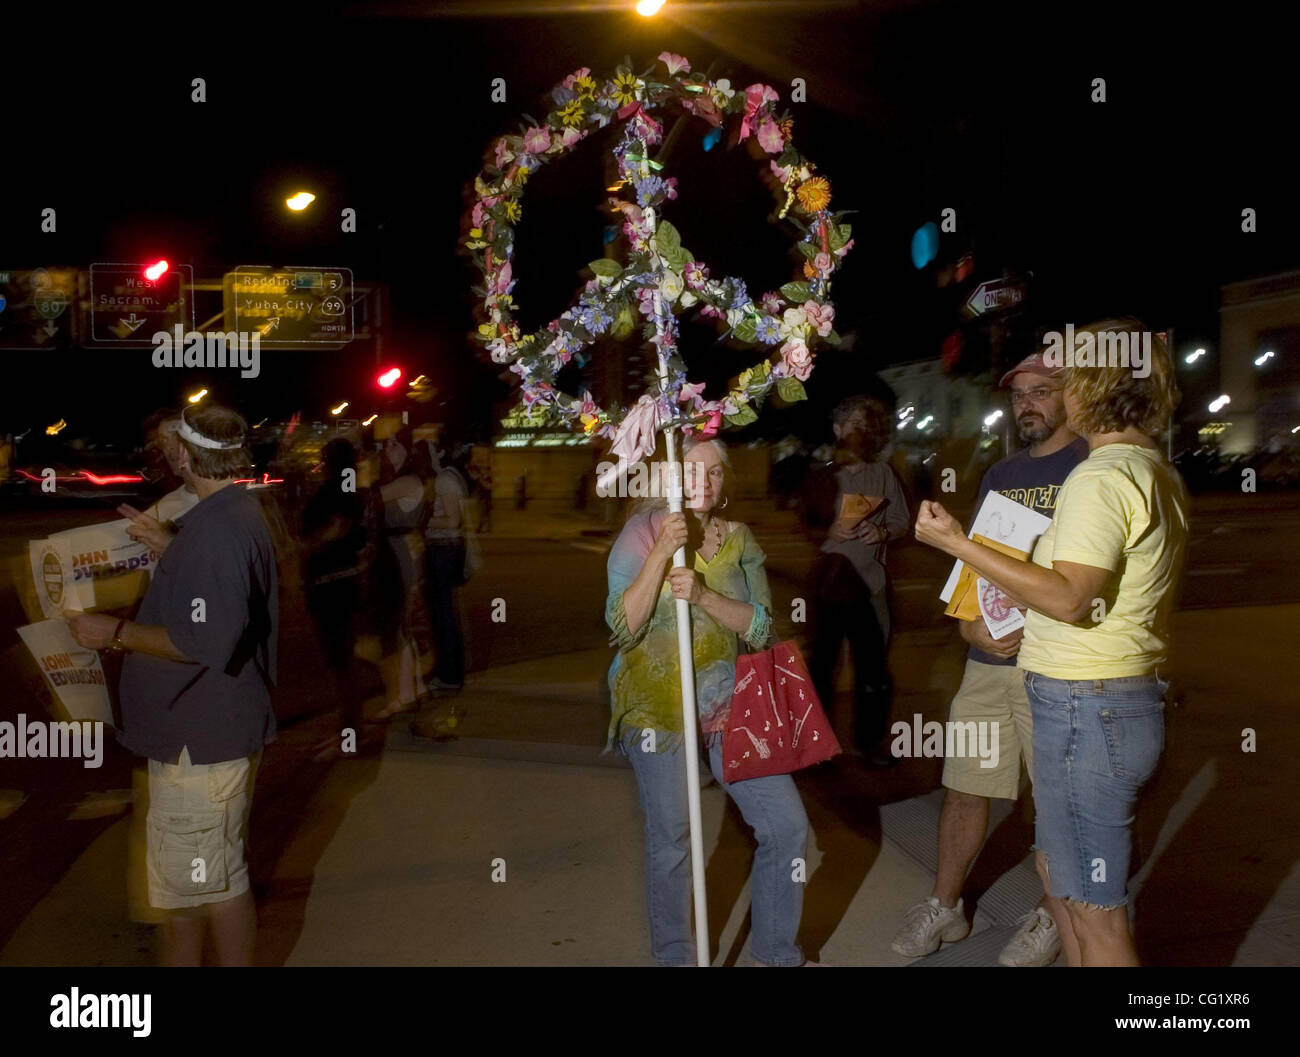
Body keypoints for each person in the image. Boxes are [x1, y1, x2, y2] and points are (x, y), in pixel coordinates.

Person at [915, 319, 1188, 966]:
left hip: (1086, 706)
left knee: (1098, 914)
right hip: (1106, 701)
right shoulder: (1152, 469)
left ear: (1090, 384)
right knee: (1060, 878)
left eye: (1065, 375)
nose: (1044, 395)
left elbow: (1069, 595)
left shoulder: (1099, 477)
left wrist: (957, 542)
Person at [891, 349, 1088, 966]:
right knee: (966, 788)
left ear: (1071, 396)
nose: (1027, 403)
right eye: (1019, 394)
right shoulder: (1000, 475)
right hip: (988, 667)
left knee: (1056, 803)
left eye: (1041, 391)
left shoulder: (1095, 466)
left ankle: (1053, 914)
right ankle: (945, 908)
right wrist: (970, 628)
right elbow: (977, 563)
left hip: (1058, 664)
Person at [65, 403, 277, 967]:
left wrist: (111, 632)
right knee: (193, 889)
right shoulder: (229, 514)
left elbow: (201, 641)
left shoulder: (216, 531)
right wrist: (169, 543)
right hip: (207, 737)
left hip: (199, 744)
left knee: (210, 889)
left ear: (184, 455)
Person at [606, 436, 812, 967]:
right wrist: (658, 554)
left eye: (714, 473)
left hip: (727, 700)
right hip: (655, 704)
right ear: (668, 478)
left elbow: (763, 628)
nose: (704, 481)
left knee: (785, 825)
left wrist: (703, 595)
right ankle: (677, 959)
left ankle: (775, 954)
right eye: (691, 470)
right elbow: (623, 627)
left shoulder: (738, 539)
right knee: (672, 836)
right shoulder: (641, 531)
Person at [801, 395, 909, 765]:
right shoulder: (824, 472)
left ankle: (870, 741)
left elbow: (902, 522)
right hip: (831, 584)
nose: (860, 430)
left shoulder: (884, 473)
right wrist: (828, 528)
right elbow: (807, 524)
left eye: (866, 422)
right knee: (821, 669)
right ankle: (817, 746)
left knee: (874, 670)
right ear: (838, 429)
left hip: (871, 585)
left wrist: (881, 533)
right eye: (853, 423)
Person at [300, 438, 372, 758]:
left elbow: (337, 527)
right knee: (343, 665)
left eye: (323, 457)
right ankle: (350, 732)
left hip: (331, 586)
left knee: (341, 666)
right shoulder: (352, 489)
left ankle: (350, 737)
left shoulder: (336, 490)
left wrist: (309, 545)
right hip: (342, 583)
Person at [374, 432, 428, 715]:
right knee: (400, 625)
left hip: (401, 556)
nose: (387, 447)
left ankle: (404, 695)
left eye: (394, 444)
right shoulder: (398, 479)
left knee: (399, 625)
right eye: (386, 443)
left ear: (408, 451)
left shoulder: (406, 481)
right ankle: (414, 688)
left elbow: (372, 499)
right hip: (397, 553)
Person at [422, 432, 469, 693]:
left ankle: (449, 675)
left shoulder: (444, 479)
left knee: (443, 616)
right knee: (443, 614)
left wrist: (422, 521)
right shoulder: (450, 476)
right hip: (444, 550)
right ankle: (447, 671)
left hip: (443, 549)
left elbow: (452, 520)